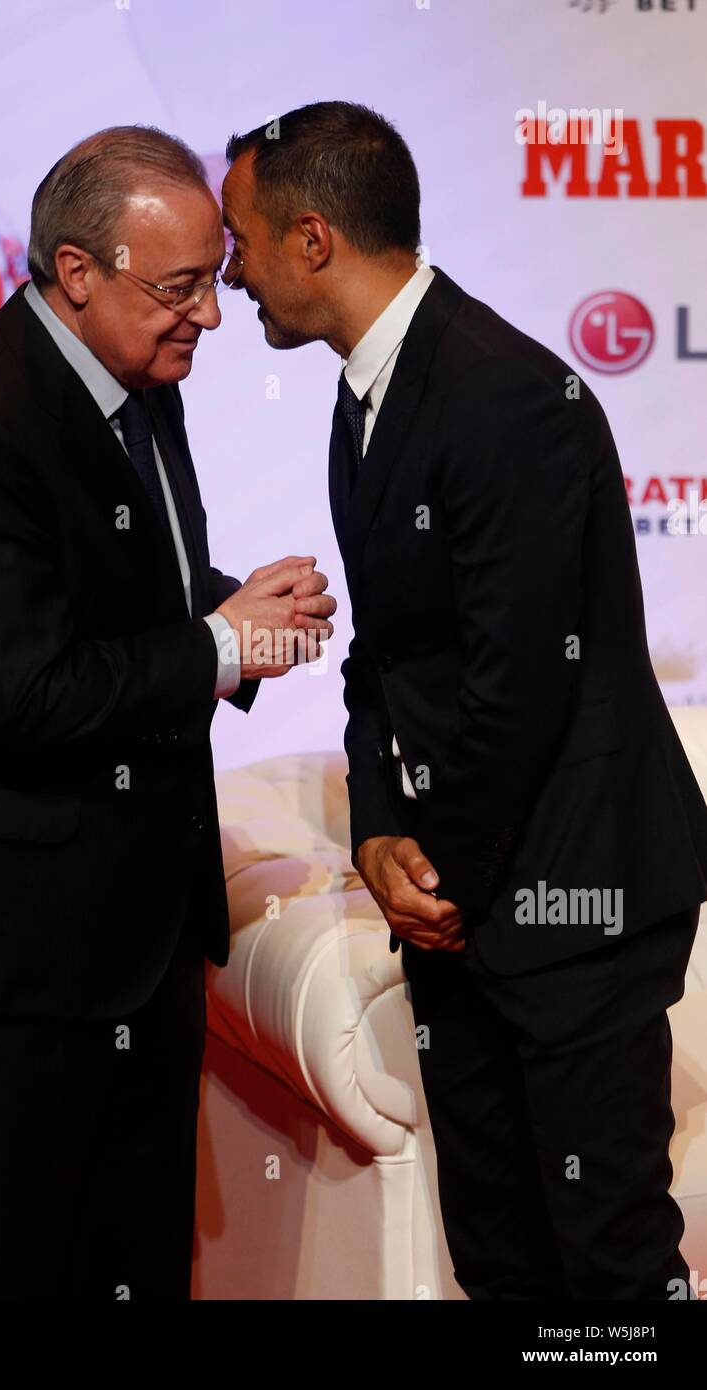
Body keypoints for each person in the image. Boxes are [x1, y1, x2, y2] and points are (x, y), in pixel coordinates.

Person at [221, 100, 707, 1300]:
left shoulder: (498, 399)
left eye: (241, 241)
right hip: (466, 897)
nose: (230, 277)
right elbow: (384, 659)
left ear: (313, 239)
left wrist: (431, 865)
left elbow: (518, 690)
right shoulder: (365, 394)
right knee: (496, 1252)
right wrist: (383, 829)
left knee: (603, 1264)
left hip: (570, 901)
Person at [0, 124, 335, 1301]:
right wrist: (217, 645)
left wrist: (240, 612)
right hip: (7, 962)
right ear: (77, 271)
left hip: (137, 945)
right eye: (178, 288)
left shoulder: (138, 382)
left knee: (134, 1271)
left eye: (211, 284)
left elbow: (133, 603)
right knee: (10, 1284)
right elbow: (26, 694)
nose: (210, 318)